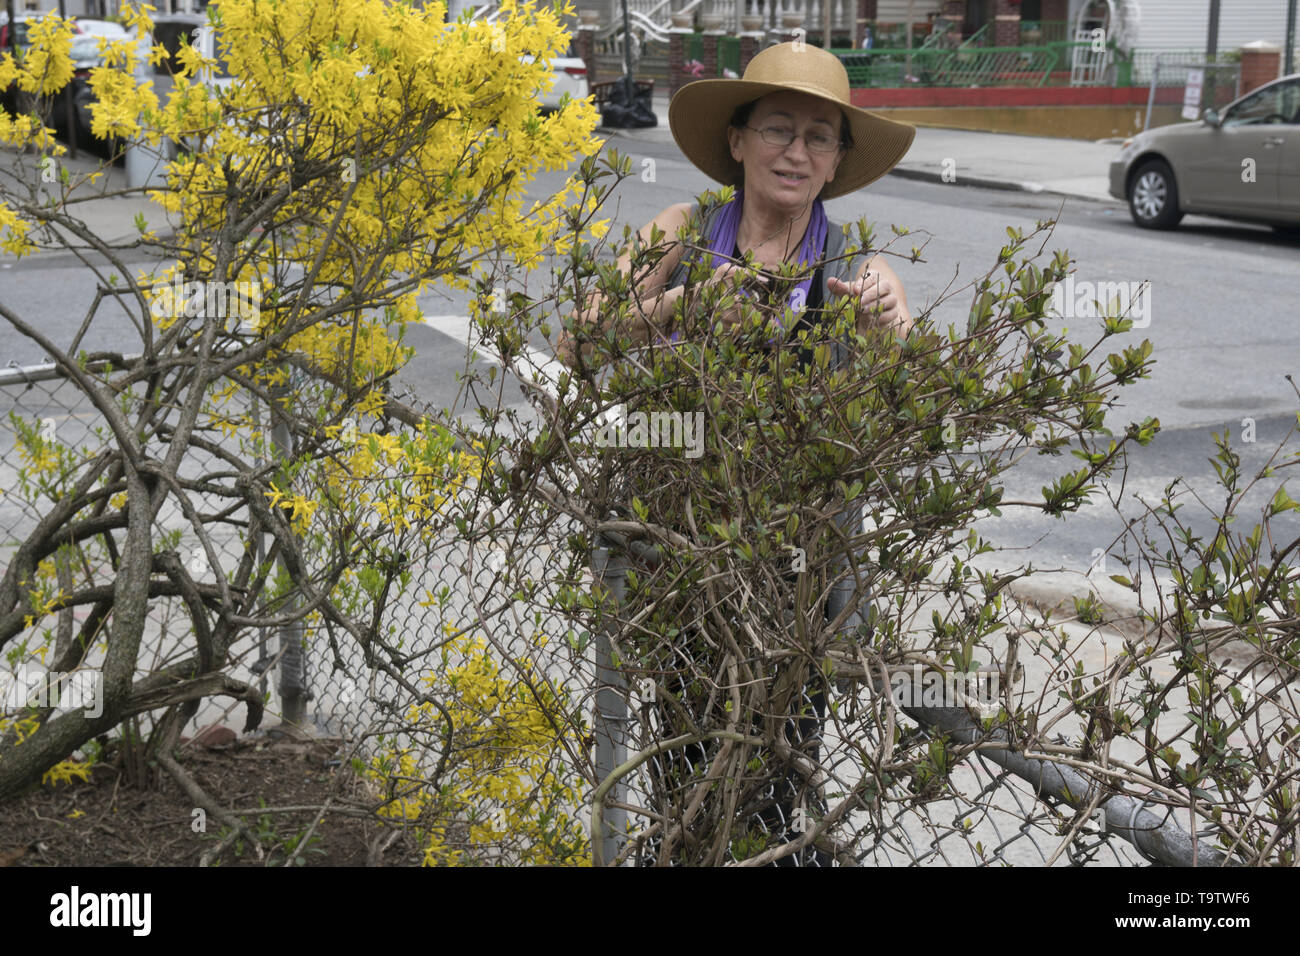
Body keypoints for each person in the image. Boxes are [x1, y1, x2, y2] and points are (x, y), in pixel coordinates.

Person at [557, 42, 918, 865]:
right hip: (684, 563)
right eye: (779, 129)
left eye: (819, 137)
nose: (797, 152)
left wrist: (892, 337)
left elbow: (899, 416)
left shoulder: (855, 267)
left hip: (799, 586)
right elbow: (577, 340)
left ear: (836, 162)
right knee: (683, 772)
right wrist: (682, 305)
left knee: (777, 789)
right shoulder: (685, 231)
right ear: (737, 141)